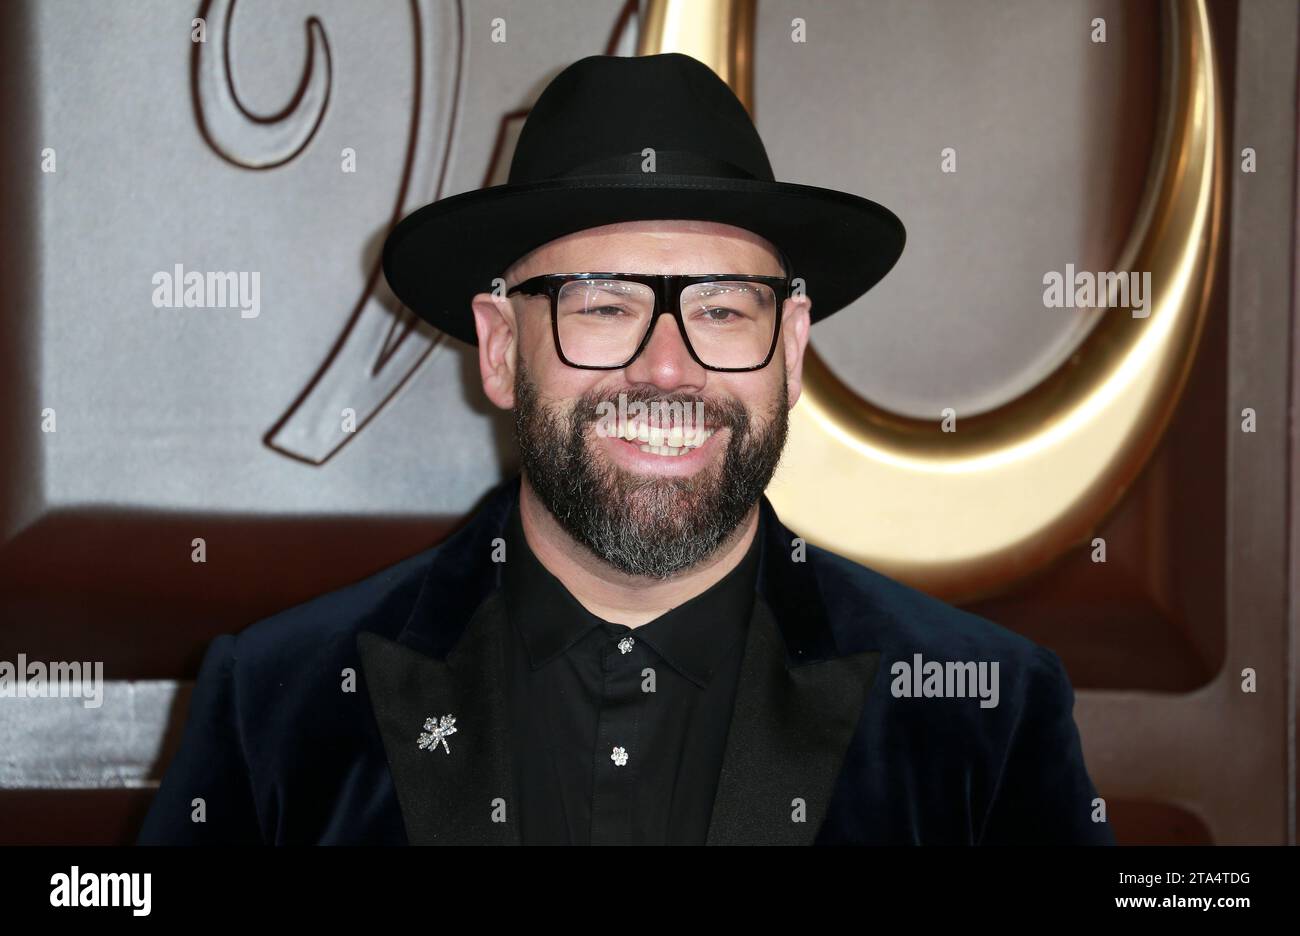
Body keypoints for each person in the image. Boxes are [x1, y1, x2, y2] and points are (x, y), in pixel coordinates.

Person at [137, 52, 1112, 845]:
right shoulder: (275, 707)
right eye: (602, 306)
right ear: (500, 347)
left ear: (792, 347)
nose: (665, 369)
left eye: (723, 311)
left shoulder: (984, 717)